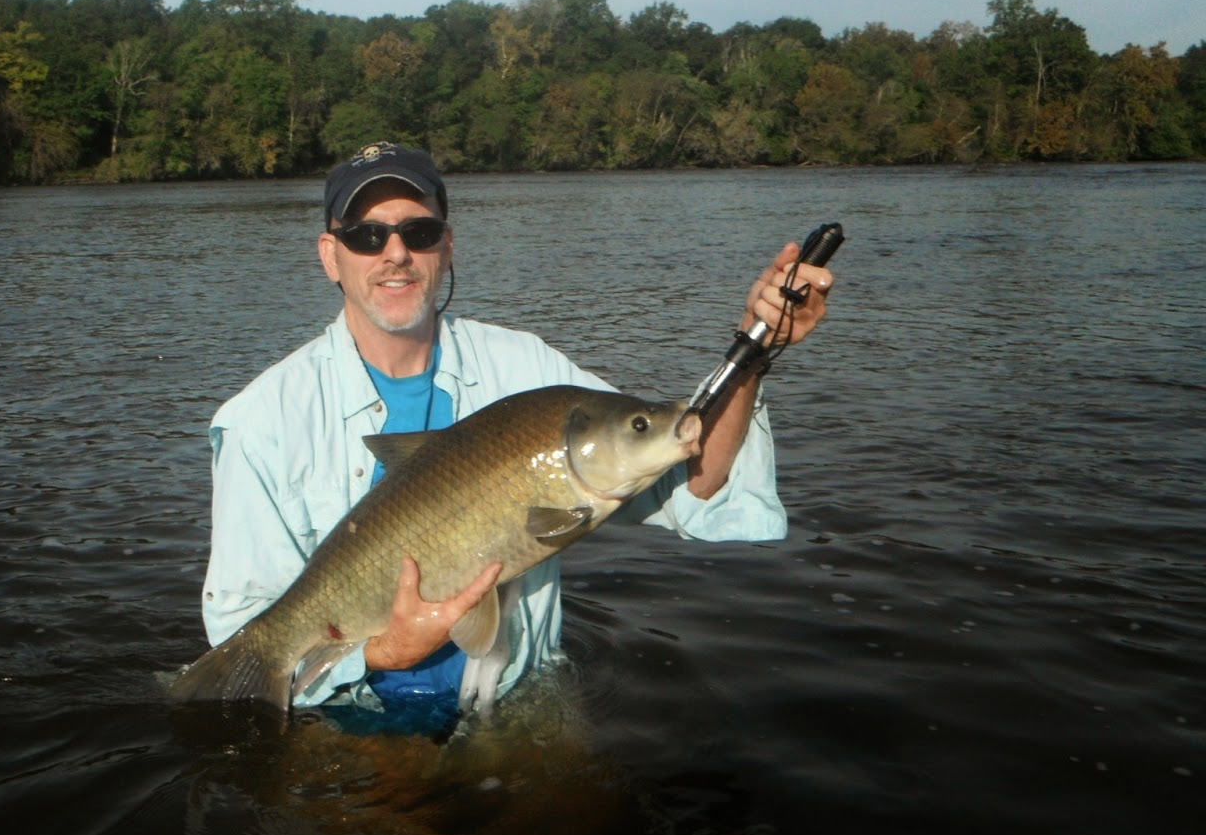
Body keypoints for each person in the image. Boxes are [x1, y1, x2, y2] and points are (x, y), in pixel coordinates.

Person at [198, 141, 832, 719]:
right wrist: (385, 651)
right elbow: (240, 620)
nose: (396, 254)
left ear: (447, 246)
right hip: (346, 719)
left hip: (516, 706)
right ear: (329, 257)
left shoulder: (529, 369)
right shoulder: (261, 422)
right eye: (366, 236)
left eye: (418, 232)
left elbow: (697, 483)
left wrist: (755, 349)